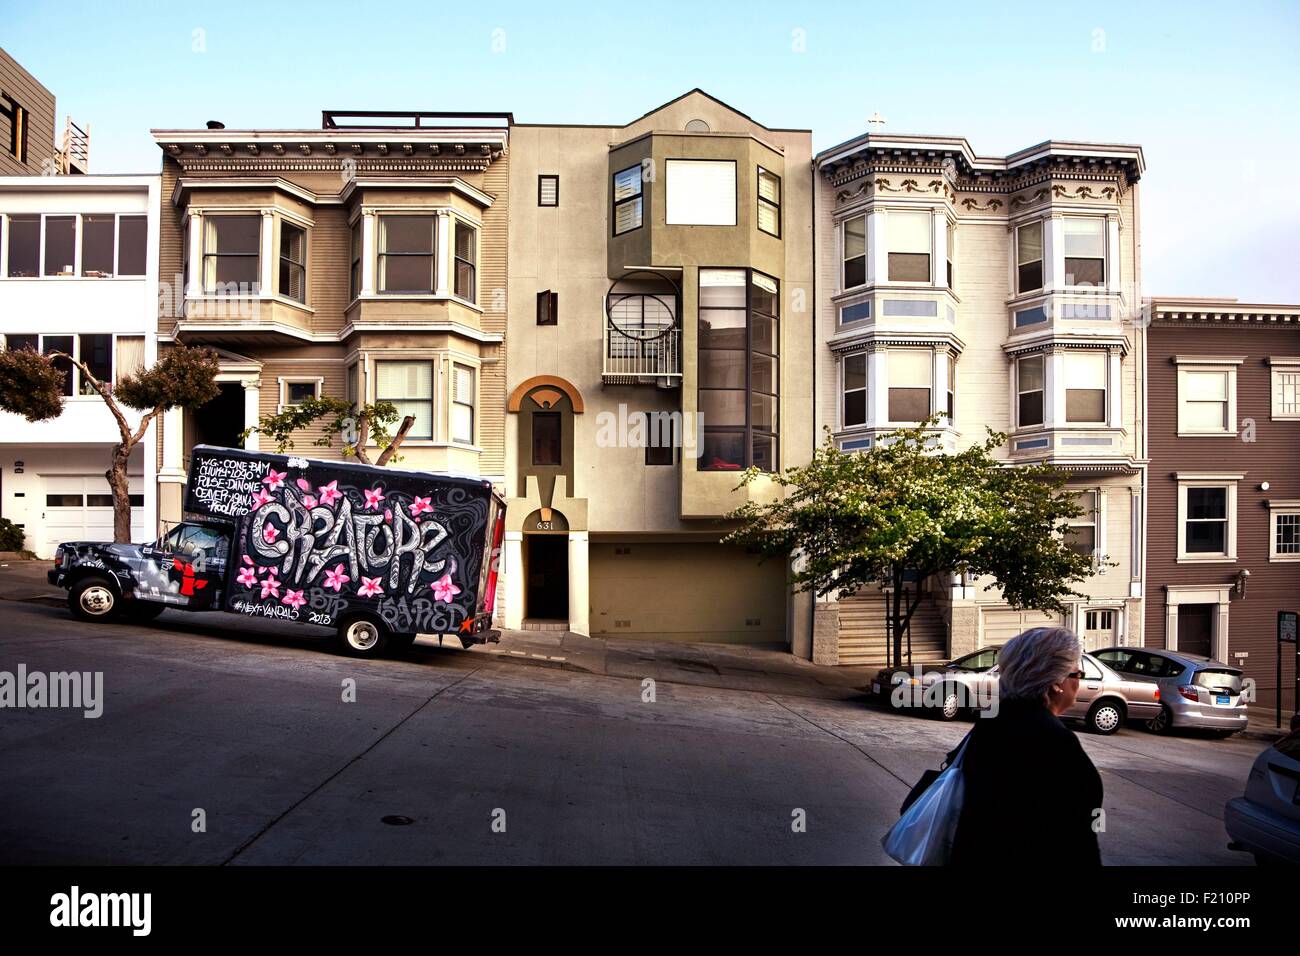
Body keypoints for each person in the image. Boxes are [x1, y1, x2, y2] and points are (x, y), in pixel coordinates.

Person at [950, 627, 1103, 866]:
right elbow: (1076, 838)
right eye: (1077, 674)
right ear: (1056, 682)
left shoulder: (990, 725)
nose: (1079, 682)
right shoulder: (1056, 743)